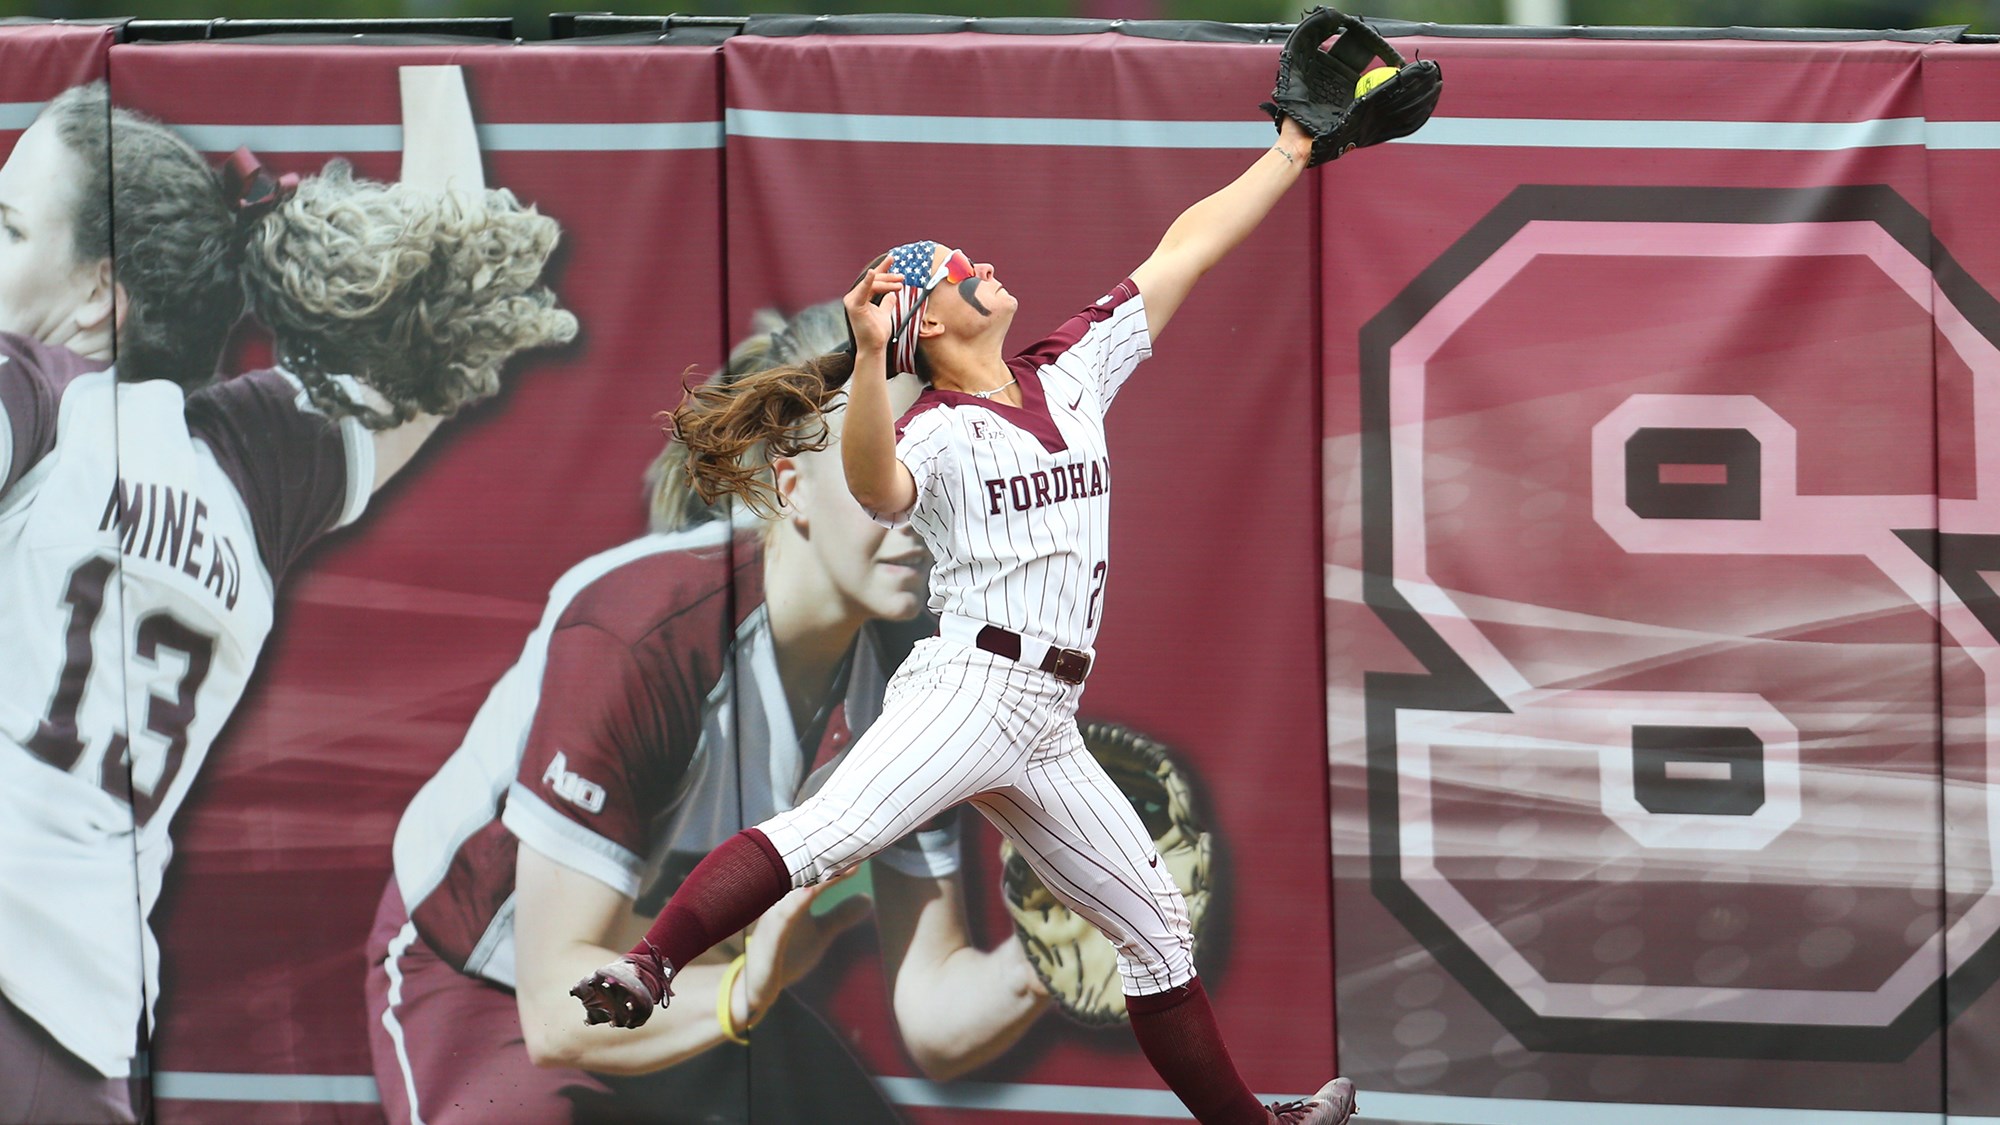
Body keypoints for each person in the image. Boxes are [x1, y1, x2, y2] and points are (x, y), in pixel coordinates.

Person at [570, 111, 1362, 1125]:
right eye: (954, 270)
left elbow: (1185, 250)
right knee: (831, 831)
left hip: (1047, 720)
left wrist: (1291, 150)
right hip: (970, 690)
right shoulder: (933, 429)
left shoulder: (1069, 368)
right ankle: (649, 965)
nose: (979, 265)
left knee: (1157, 933)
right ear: (931, 328)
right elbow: (876, 488)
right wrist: (868, 359)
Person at [0, 69, 574, 1123]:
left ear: (94, 298)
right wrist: (434, 57)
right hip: (86, 1054)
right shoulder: (251, 469)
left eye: (5, 227)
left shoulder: (29, 387)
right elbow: (448, 298)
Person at [366, 301, 1051, 1125]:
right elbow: (553, 1008)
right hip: (490, 978)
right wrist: (738, 993)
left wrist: (1052, 958)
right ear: (790, 486)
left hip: (696, 986)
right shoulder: (639, 633)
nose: (911, 506)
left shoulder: (927, 669)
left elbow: (931, 1011)